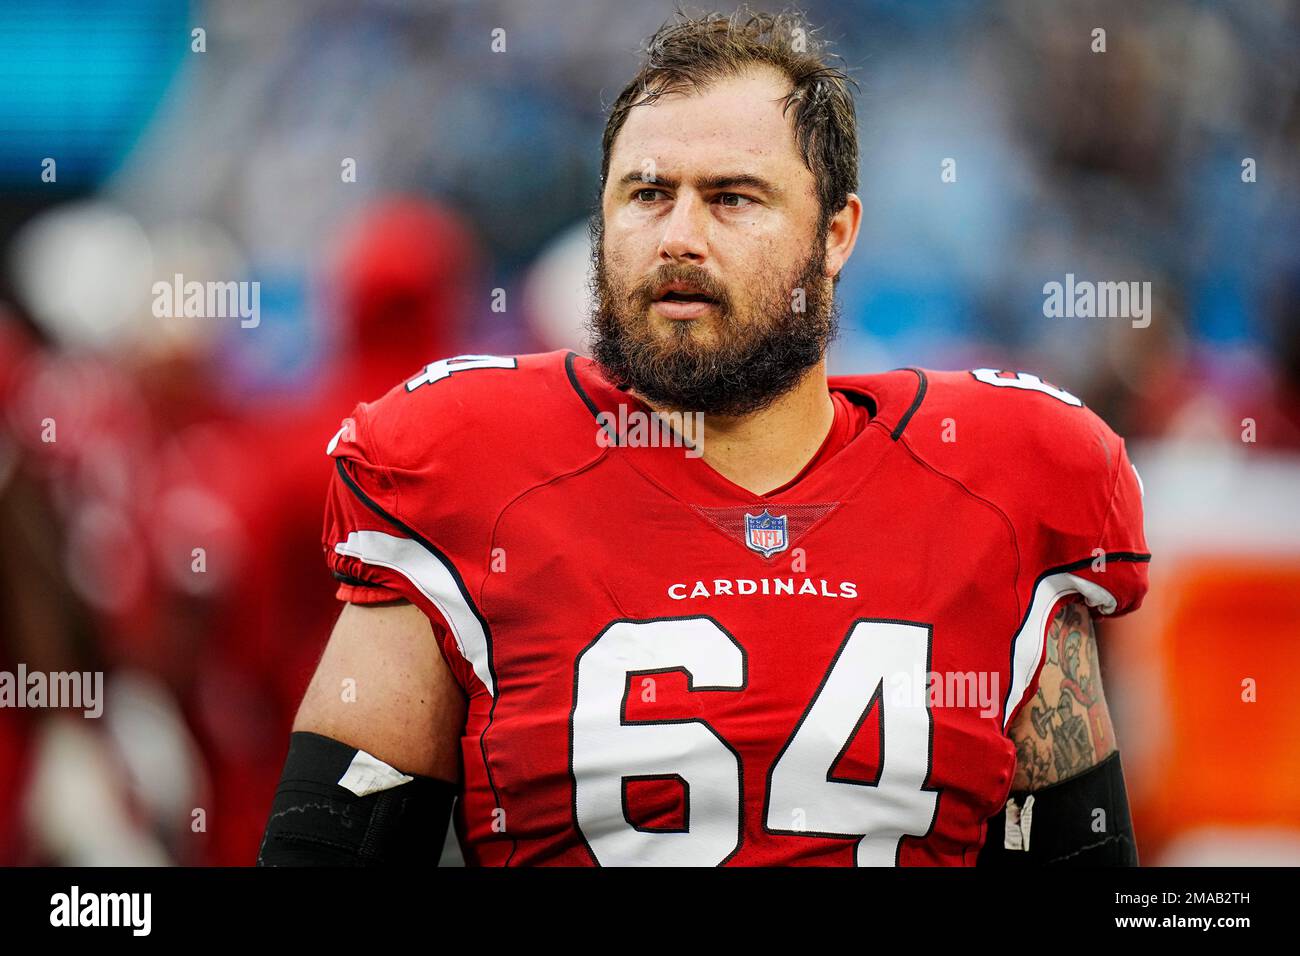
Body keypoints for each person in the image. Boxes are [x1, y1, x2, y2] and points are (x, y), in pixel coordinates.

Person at [259, 8, 1149, 867]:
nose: (680, 237)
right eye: (647, 194)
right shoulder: (464, 465)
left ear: (835, 234)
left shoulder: (1003, 476)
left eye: (732, 198)